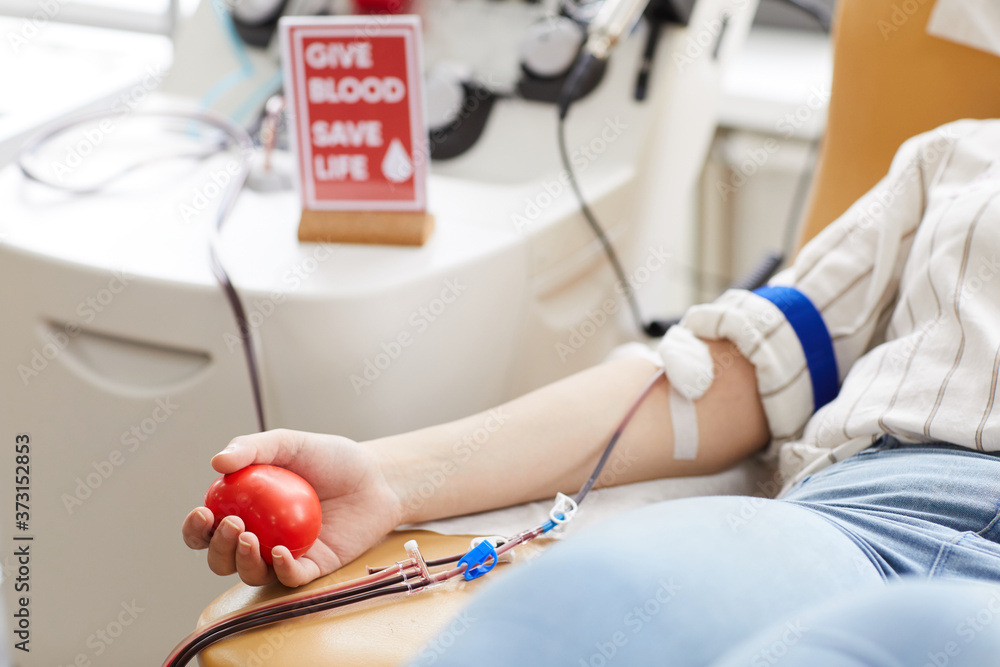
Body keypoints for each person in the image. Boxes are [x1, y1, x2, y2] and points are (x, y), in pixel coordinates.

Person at [182, 119, 1000, 665]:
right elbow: (726, 376)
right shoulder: (959, 161)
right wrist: (388, 477)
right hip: (864, 516)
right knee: (588, 605)